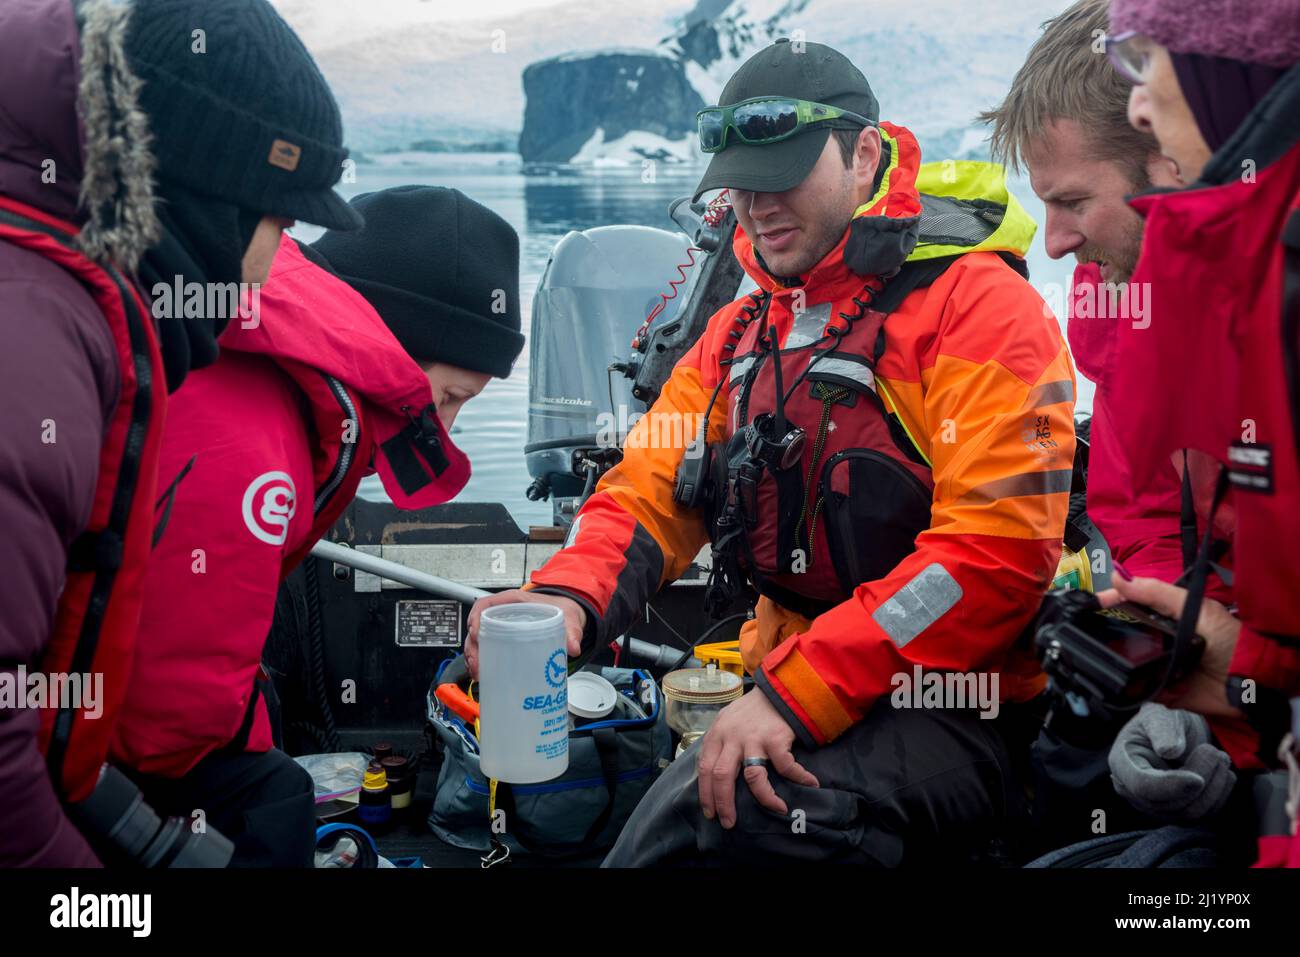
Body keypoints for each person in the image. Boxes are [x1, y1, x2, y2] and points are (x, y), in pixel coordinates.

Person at [470, 39, 1077, 865]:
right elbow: (645, 490)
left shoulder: (982, 310)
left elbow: (993, 555)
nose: (757, 205)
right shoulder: (739, 331)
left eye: (783, 174)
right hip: (794, 680)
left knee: (742, 821)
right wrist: (567, 597)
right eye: (740, 183)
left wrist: (797, 695)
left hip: (955, 709)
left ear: (865, 154)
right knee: (657, 822)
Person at [0, 0, 358, 867]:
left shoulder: (57, 292)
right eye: (278, 220)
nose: (276, 265)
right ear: (209, 199)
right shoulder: (37, 344)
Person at [107, 186, 524, 866]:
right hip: (105, 751)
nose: (442, 427)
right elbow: (169, 712)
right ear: (397, 336)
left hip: (108, 714)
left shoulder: (274, 356)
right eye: (448, 397)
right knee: (273, 803)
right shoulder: (255, 450)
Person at [1098, 0, 1300, 865]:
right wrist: (1245, 677)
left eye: (1148, 57)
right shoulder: (1240, 267)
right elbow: (1137, 502)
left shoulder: (1265, 279)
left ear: (1236, 68)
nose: (1140, 101)